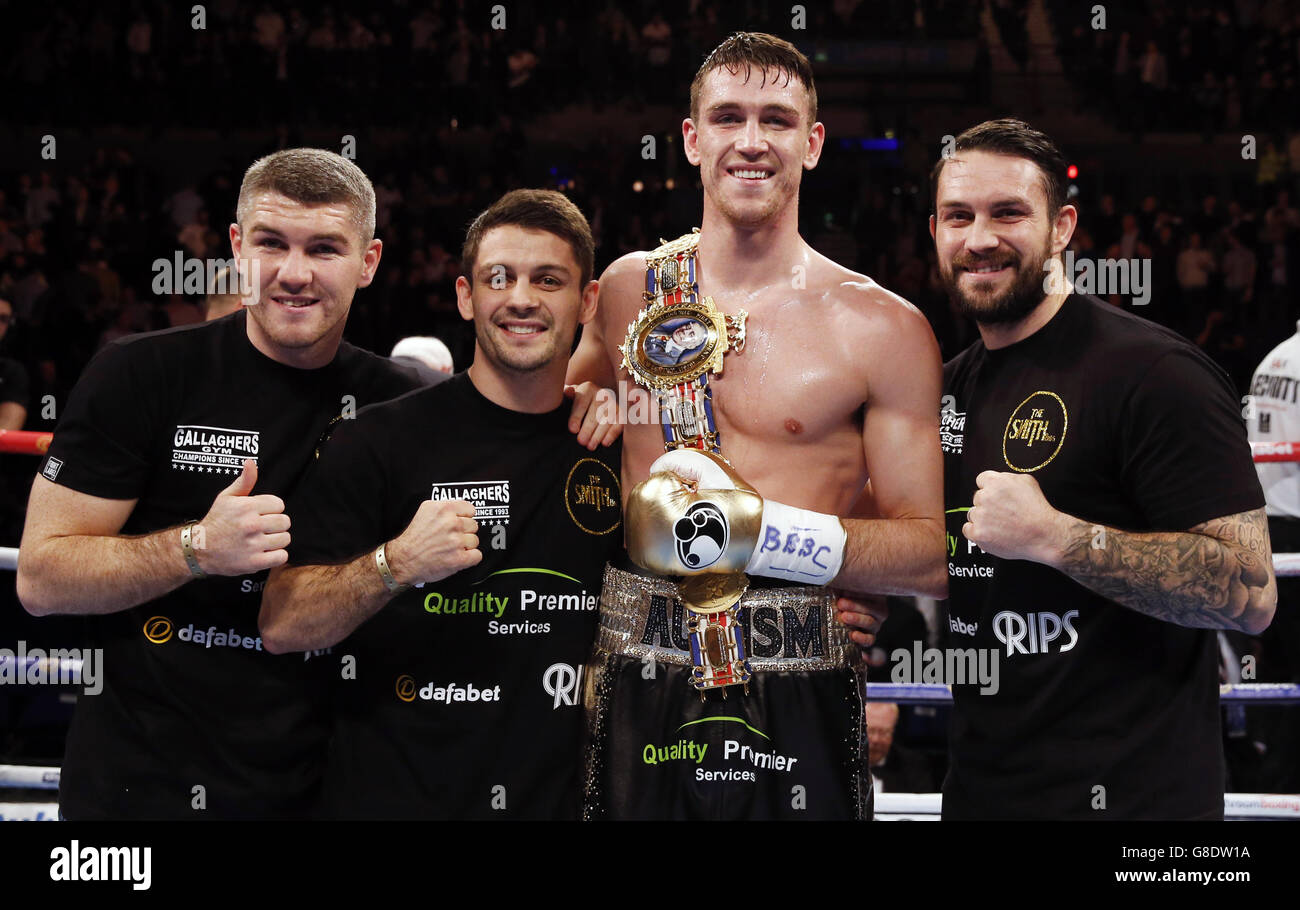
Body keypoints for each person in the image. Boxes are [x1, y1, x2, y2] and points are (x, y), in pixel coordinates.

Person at [566, 32, 945, 820]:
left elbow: (927, 553)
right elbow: (556, 418)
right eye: (728, 116)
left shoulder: (884, 327)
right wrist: (595, 400)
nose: (749, 141)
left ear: (811, 144)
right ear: (691, 139)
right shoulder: (630, 290)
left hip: (802, 673)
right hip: (637, 665)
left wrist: (760, 536)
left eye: (775, 119)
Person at [15, 149, 422, 819]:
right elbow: (40, 576)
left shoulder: (399, 402)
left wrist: (593, 403)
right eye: (271, 243)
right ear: (236, 247)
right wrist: (194, 549)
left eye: (324, 248)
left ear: (369, 262)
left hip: (321, 787)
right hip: (139, 792)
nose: (294, 274)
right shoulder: (140, 375)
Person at [933, 119, 1276, 820]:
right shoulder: (945, 390)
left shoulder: (1155, 373)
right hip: (985, 792)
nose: (979, 238)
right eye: (957, 216)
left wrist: (1057, 537)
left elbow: (1251, 592)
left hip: (1141, 807)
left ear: (1061, 226)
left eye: (1008, 213)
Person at [258, 189, 621, 819]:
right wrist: (394, 564)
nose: (521, 298)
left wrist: (838, 606)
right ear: (465, 295)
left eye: (549, 279)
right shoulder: (377, 439)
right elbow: (282, 625)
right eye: (498, 278)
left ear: (587, 301)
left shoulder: (614, 445)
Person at [1245, 324, 1300, 793]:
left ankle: (1272, 768)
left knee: (1280, 660)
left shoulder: (1274, 357)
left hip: (1266, 523)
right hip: (1295, 522)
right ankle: (1279, 778)